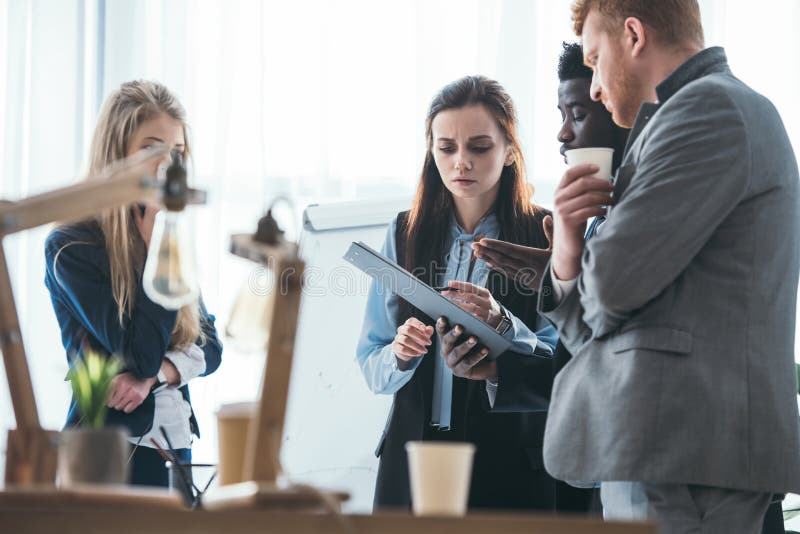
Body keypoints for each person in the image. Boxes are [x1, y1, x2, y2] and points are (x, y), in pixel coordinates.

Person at [538, 1, 800, 532]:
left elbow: (610, 289)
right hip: (670, 450)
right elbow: (591, 325)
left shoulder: (708, 109)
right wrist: (567, 247)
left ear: (634, 35)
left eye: (595, 60)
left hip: (685, 448)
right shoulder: (695, 114)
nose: (594, 87)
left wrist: (592, 255)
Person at [357, 75, 592, 513]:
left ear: (510, 151)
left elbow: (566, 357)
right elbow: (372, 357)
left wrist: (504, 323)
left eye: (479, 147)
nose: (461, 162)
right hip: (412, 461)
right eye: (446, 148)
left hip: (511, 463)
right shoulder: (404, 231)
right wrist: (400, 356)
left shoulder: (546, 232)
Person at [44, 80, 222, 487]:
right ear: (116, 153)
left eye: (177, 153)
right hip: (107, 452)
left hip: (174, 446)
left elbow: (211, 346)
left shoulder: (165, 237)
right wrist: (156, 247)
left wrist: (158, 375)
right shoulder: (72, 246)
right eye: (152, 150)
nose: (166, 166)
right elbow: (139, 354)